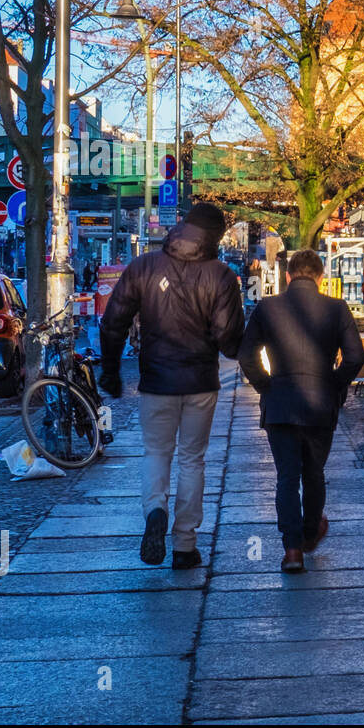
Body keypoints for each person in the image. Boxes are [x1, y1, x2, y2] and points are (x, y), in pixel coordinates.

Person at [99, 203, 245, 569]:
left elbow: (113, 321)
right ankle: (184, 544)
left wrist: (112, 371)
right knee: (193, 460)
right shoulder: (222, 276)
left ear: (183, 226)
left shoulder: (144, 267)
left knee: (155, 453)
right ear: (215, 235)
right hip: (200, 383)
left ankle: (154, 511)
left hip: (156, 382)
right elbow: (229, 340)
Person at [238, 248, 364, 573]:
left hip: (281, 404)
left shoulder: (268, 307)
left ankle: (292, 549)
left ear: (288, 275)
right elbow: (355, 358)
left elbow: (246, 356)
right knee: (314, 474)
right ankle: (309, 534)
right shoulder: (336, 309)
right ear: (321, 278)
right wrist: (333, 385)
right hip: (320, 405)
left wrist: (267, 387)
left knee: (286, 477)